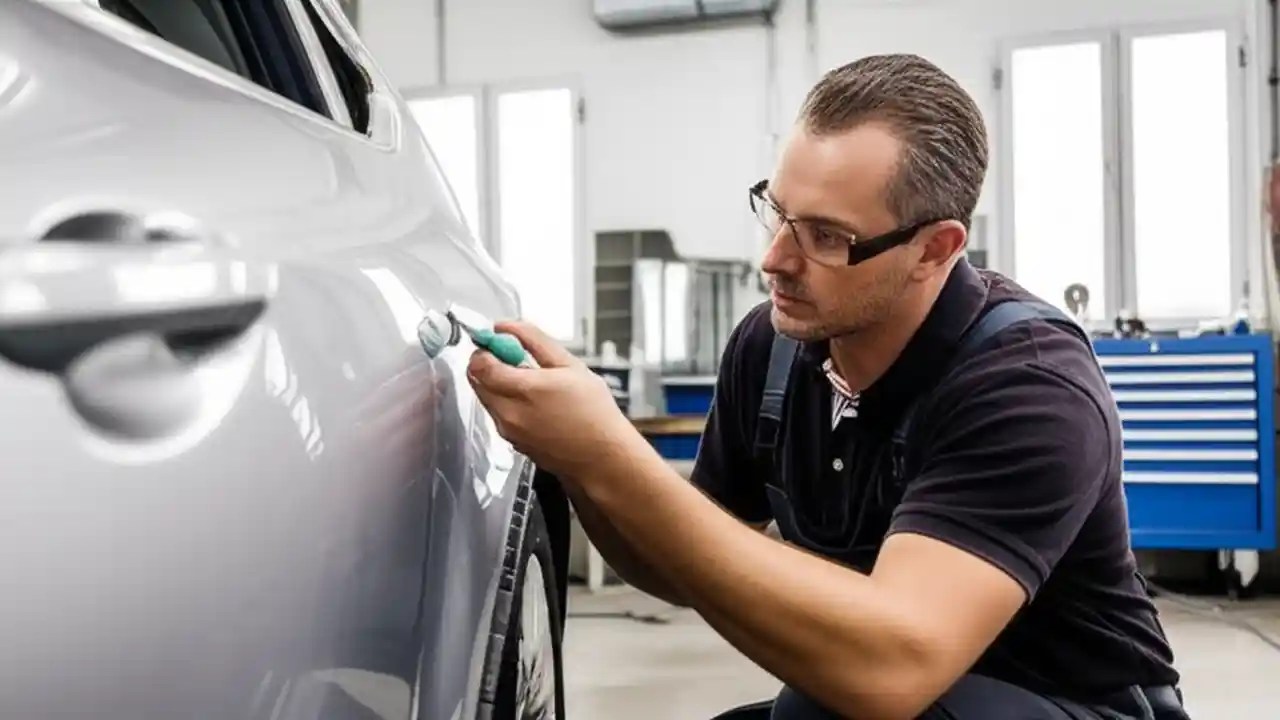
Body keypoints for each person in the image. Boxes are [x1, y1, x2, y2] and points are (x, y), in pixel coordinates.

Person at [466, 54, 1189, 719]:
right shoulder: (775, 344)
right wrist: (578, 460)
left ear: (934, 249)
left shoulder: (1026, 385)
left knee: (815, 712)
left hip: (1072, 705)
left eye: (826, 237)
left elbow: (890, 671)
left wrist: (608, 454)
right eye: (776, 212)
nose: (774, 260)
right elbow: (685, 565)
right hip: (905, 694)